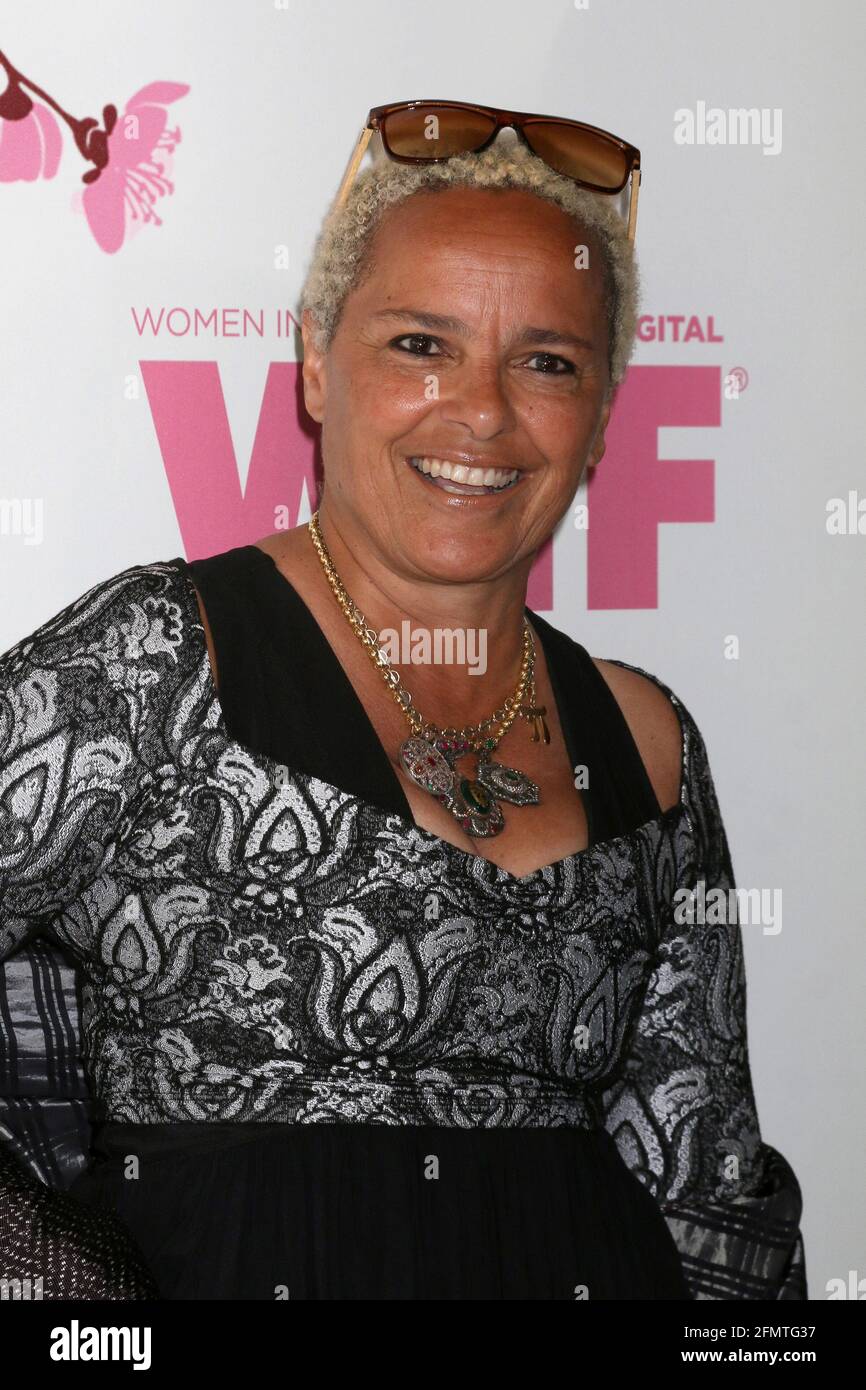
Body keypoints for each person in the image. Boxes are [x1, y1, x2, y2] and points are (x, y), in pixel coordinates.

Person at [0, 103, 806, 1300]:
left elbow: (710, 1194)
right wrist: (63, 1293)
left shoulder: (645, 742)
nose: (480, 413)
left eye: (545, 361)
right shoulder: (155, 662)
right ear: (317, 364)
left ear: (599, 417)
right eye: (420, 345)